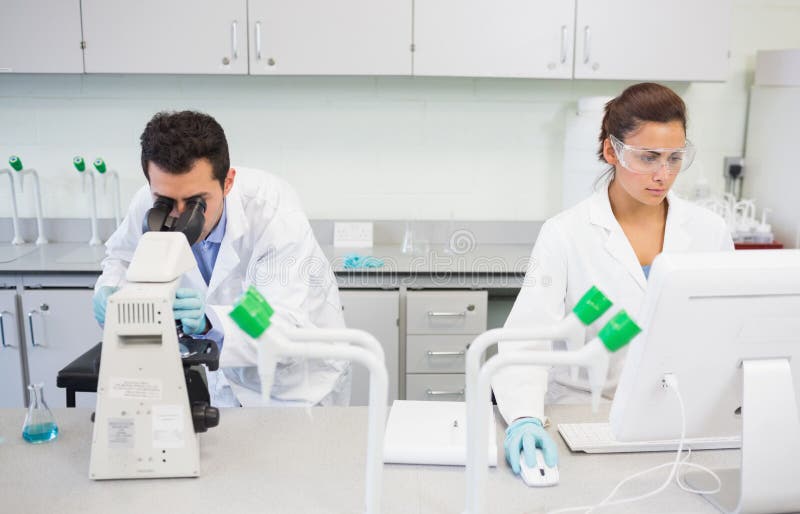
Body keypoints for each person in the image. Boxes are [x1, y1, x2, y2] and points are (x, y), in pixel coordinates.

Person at [492, 83, 733, 475]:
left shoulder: (709, 231)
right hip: (583, 414)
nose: (663, 174)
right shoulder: (565, 233)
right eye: (649, 157)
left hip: (678, 420)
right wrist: (523, 417)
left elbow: (729, 334)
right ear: (611, 150)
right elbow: (527, 338)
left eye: (674, 158)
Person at [92, 110, 350, 408]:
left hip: (294, 389)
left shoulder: (274, 215)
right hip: (222, 385)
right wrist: (107, 289)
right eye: (164, 201)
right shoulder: (148, 201)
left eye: (195, 202)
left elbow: (281, 322)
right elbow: (122, 257)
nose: (177, 215)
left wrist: (209, 320)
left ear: (227, 182)